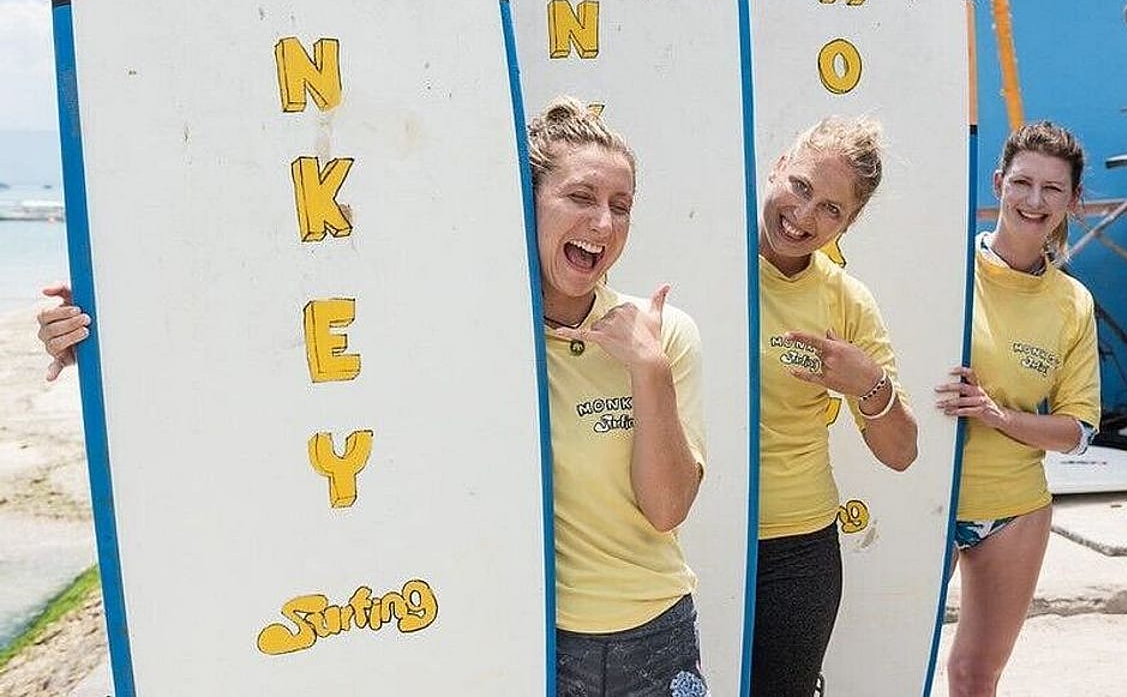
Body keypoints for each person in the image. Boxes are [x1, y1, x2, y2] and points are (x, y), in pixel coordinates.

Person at [37, 96, 710, 697]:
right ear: (527, 201)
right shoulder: (466, 337)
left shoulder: (662, 335)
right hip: (520, 634)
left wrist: (648, 371)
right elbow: (264, 348)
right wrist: (103, 342)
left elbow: (667, 509)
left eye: (621, 206)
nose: (602, 222)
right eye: (581, 197)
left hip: (654, 636)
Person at [752, 116, 918, 696]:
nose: (803, 216)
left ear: (850, 222)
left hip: (796, 553)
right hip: (690, 528)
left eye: (830, 209)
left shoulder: (846, 300)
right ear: (778, 166)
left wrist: (869, 383)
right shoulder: (708, 258)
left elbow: (901, 452)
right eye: (800, 186)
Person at [934, 121, 1099, 697]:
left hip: (1013, 511)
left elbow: (1078, 430)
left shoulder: (1072, 302)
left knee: (974, 676)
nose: (1035, 200)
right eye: (1022, 183)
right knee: (889, 662)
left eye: (1053, 189)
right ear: (998, 182)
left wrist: (997, 416)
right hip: (925, 499)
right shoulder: (946, 269)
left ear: (1073, 200)